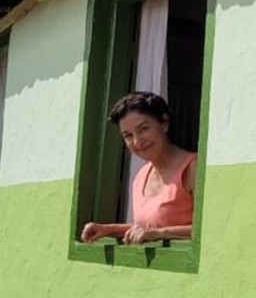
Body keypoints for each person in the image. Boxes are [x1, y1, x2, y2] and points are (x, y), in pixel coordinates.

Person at [80, 92, 197, 244]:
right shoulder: (141, 175)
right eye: (128, 135)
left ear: (164, 123)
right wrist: (108, 230)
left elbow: (209, 230)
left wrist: (158, 234)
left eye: (144, 129)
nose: (137, 141)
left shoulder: (193, 167)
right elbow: (148, 228)